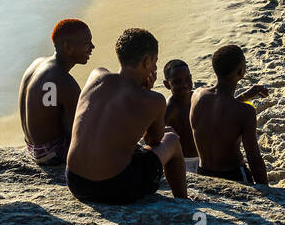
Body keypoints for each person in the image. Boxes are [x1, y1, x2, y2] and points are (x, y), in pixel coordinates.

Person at [66, 28, 188, 202]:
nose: (154, 68)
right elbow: (153, 141)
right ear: (147, 61)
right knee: (172, 140)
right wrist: (147, 92)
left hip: (75, 182)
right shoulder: (153, 100)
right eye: (154, 62)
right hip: (114, 187)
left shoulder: (96, 76)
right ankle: (183, 202)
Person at [17, 19, 94, 166]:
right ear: (68, 47)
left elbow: (47, 109)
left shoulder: (37, 63)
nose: (92, 47)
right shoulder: (63, 81)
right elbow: (77, 132)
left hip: (32, 148)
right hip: (51, 153)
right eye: (87, 43)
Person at [189, 44, 269, 185]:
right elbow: (254, 160)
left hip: (203, 173)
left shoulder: (197, 95)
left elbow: (220, 113)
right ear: (240, 72)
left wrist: (245, 95)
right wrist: (268, 192)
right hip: (233, 176)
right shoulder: (245, 112)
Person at [162, 58, 199, 173]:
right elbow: (158, 133)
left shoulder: (196, 98)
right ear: (167, 84)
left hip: (203, 157)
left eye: (188, 79)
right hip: (184, 160)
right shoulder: (170, 107)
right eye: (177, 82)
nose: (184, 84)